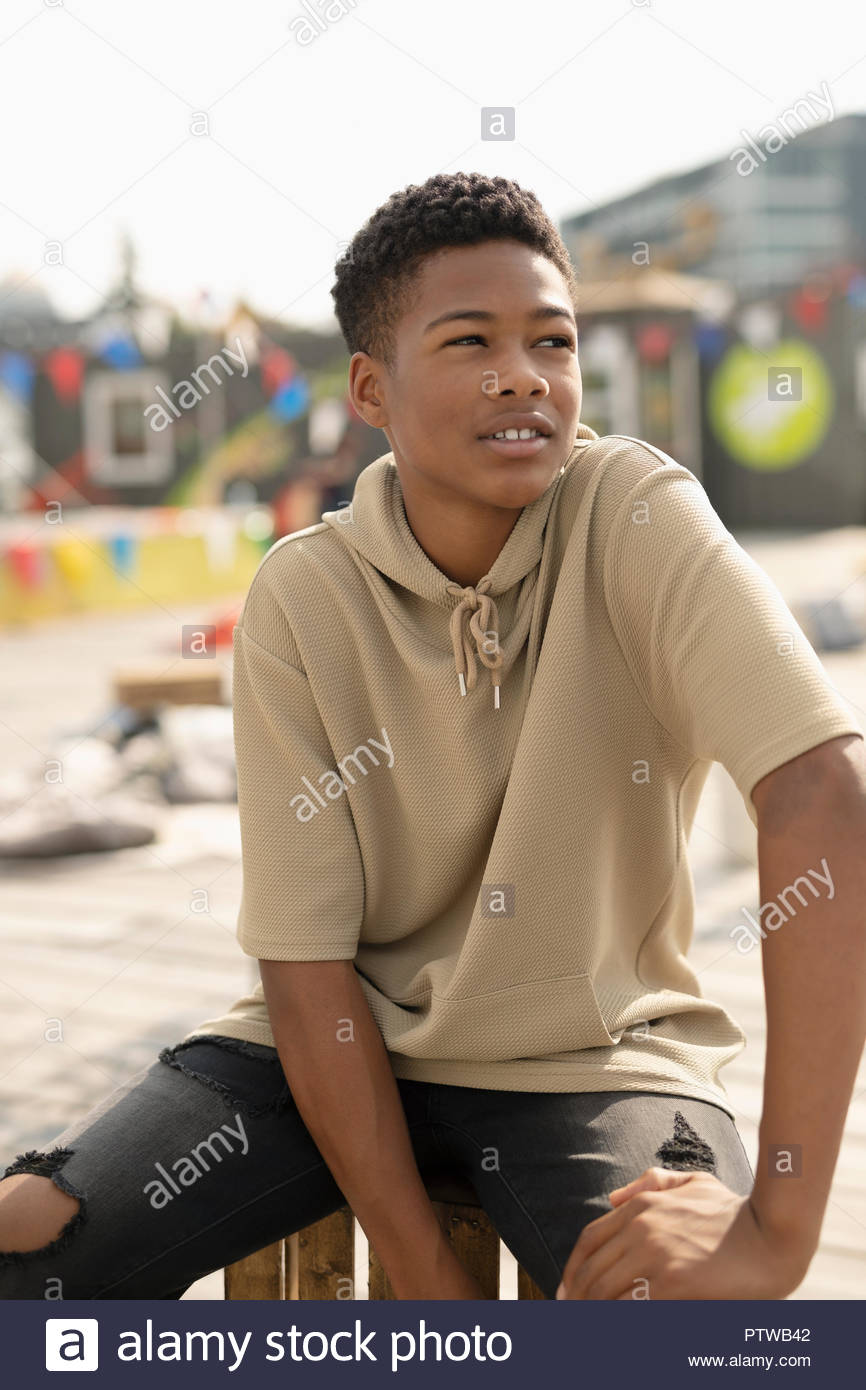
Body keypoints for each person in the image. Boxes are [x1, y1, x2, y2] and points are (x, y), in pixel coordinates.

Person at [2, 172, 865, 1302]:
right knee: (29, 1245)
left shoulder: (634, 513)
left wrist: (779, 1225)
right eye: (469, 341)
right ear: (370, 387)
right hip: (325, 1048)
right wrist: (416, 1267)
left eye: (550, 342)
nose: (523, 373)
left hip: (595, 1057)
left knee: (685, 1317)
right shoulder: (301, 597)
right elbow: (305, 966)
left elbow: (819, 796)